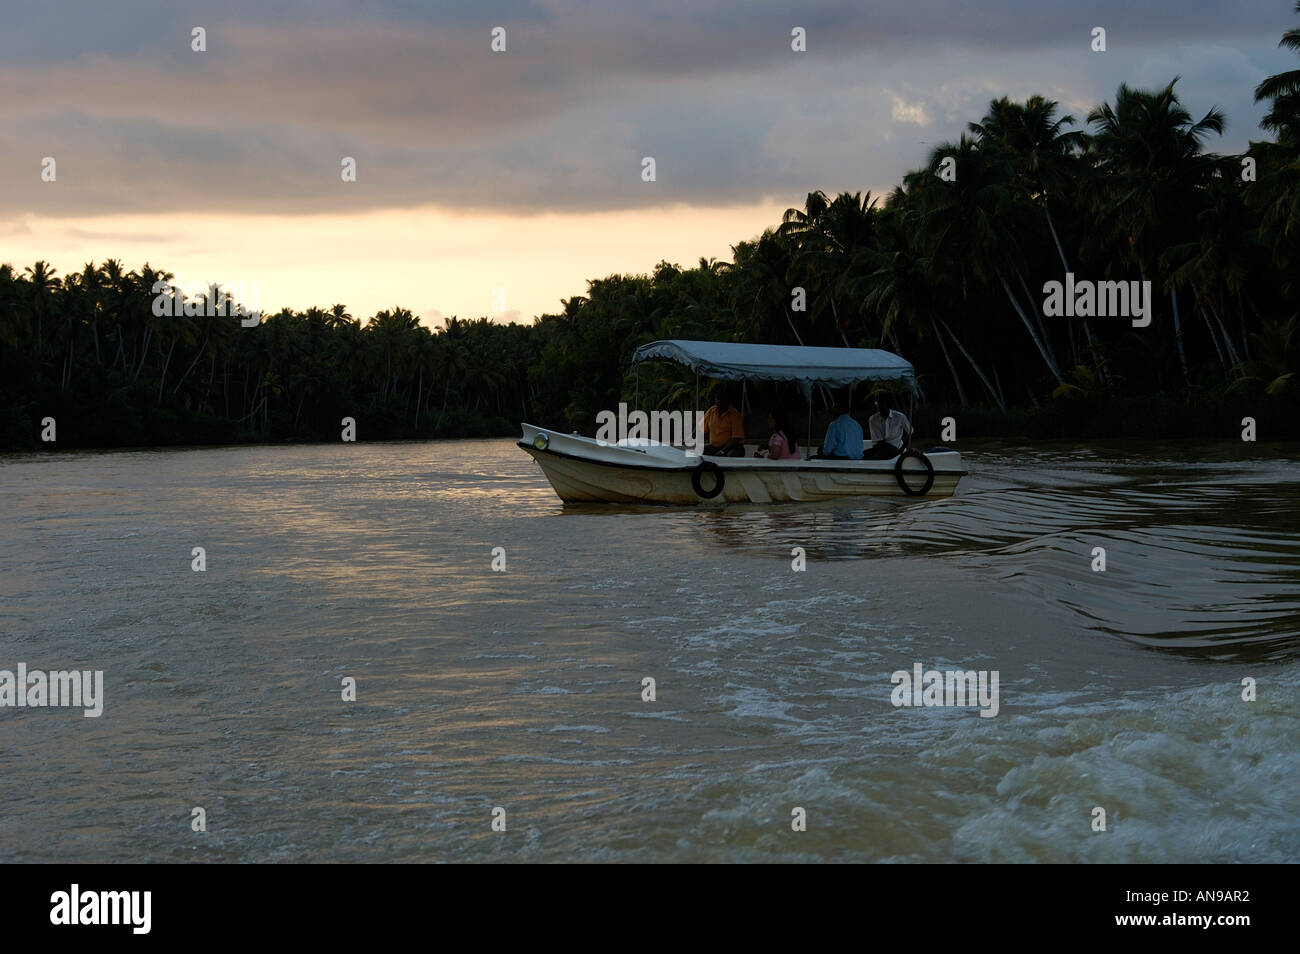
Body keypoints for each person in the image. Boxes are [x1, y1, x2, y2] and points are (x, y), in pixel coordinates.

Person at [810, 389, 863, 460]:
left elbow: (827, 451)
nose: (832, 409)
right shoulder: (857, 424)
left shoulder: (834, 425)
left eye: (834, 406)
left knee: (812, 458)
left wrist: (821, 451)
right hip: (857, 459)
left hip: (841, 459)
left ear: (838, 408)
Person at [863, 391, 913, 459]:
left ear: (888, 403)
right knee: (862, 455)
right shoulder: (873, 419)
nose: (879, 405)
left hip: (897, 449)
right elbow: (880, 442)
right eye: (877, 403)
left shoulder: (900, 417)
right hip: (883, 449)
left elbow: (911, 433)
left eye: (882, 402)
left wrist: (901, 450)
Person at [702, 387, 745, 457]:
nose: (718, 401)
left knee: (731, 455)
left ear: (727, 400)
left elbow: (736, 438)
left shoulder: (735, 414)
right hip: (715, 446)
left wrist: (723, 451)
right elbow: (700, 427)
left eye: (721, 399)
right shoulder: (711, 411)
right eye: (716, 398)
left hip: (733, 447)